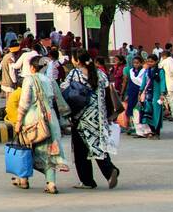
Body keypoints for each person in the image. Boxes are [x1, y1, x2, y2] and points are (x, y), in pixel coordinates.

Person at [15, 56, 70, 193]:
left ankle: (23, 179)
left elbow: (25, 102)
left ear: (33, 67)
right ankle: (51, 183)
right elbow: (60, 101)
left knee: (27, 148)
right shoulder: (51, 81)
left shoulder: (29, 79)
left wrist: (18, 121)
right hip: (51, 121)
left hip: (33, 120)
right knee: (50, 150)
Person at [66, 50, 119, 189]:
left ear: (77, 61)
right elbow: (108, 94)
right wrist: (109, 115)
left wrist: (66, 114)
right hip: (99, 118)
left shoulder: (75, 74)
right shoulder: (101, 74)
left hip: (81, 117)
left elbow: (64, 91)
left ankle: (87, 181)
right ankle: (109, 170)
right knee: (97, 145)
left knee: (80, 150)